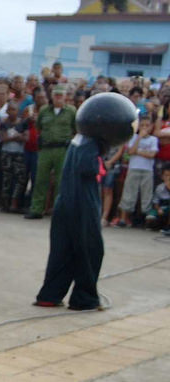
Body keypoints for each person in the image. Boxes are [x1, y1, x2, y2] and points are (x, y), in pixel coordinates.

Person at [35, 94, 134, 310]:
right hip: (82, 203)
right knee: (90, 250)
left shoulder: (79, 138)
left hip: (66, 201)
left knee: (63, 251)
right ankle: (84, 299)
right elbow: (88, 167)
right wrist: (103, 165)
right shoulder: (90, 143)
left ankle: (49, 295)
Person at [26, 86, 76, 218]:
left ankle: (59, 210)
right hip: (46, 148)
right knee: (40, 179)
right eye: (56, 95)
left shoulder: (71, 111)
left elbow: (75, 129)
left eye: (61, 95)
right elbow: (39, 127)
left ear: (65, 97)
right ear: (52, 97)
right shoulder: (44, 110)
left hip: (62, 148)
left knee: (61, 181)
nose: (58, 98)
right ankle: (36, 209)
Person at [115, 117, 159, 226]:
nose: (144, 128)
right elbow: (130, 151)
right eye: (142, 125)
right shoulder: (134, 137)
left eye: (147, 125)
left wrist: (138, 152)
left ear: (151, 126)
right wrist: (139, 138)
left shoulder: (153, 139)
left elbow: (152, 154)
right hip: (134, 168)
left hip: (147, 170)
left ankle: (147, 220)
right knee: (129, 192)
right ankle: (123, 219)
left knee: (146, 194)